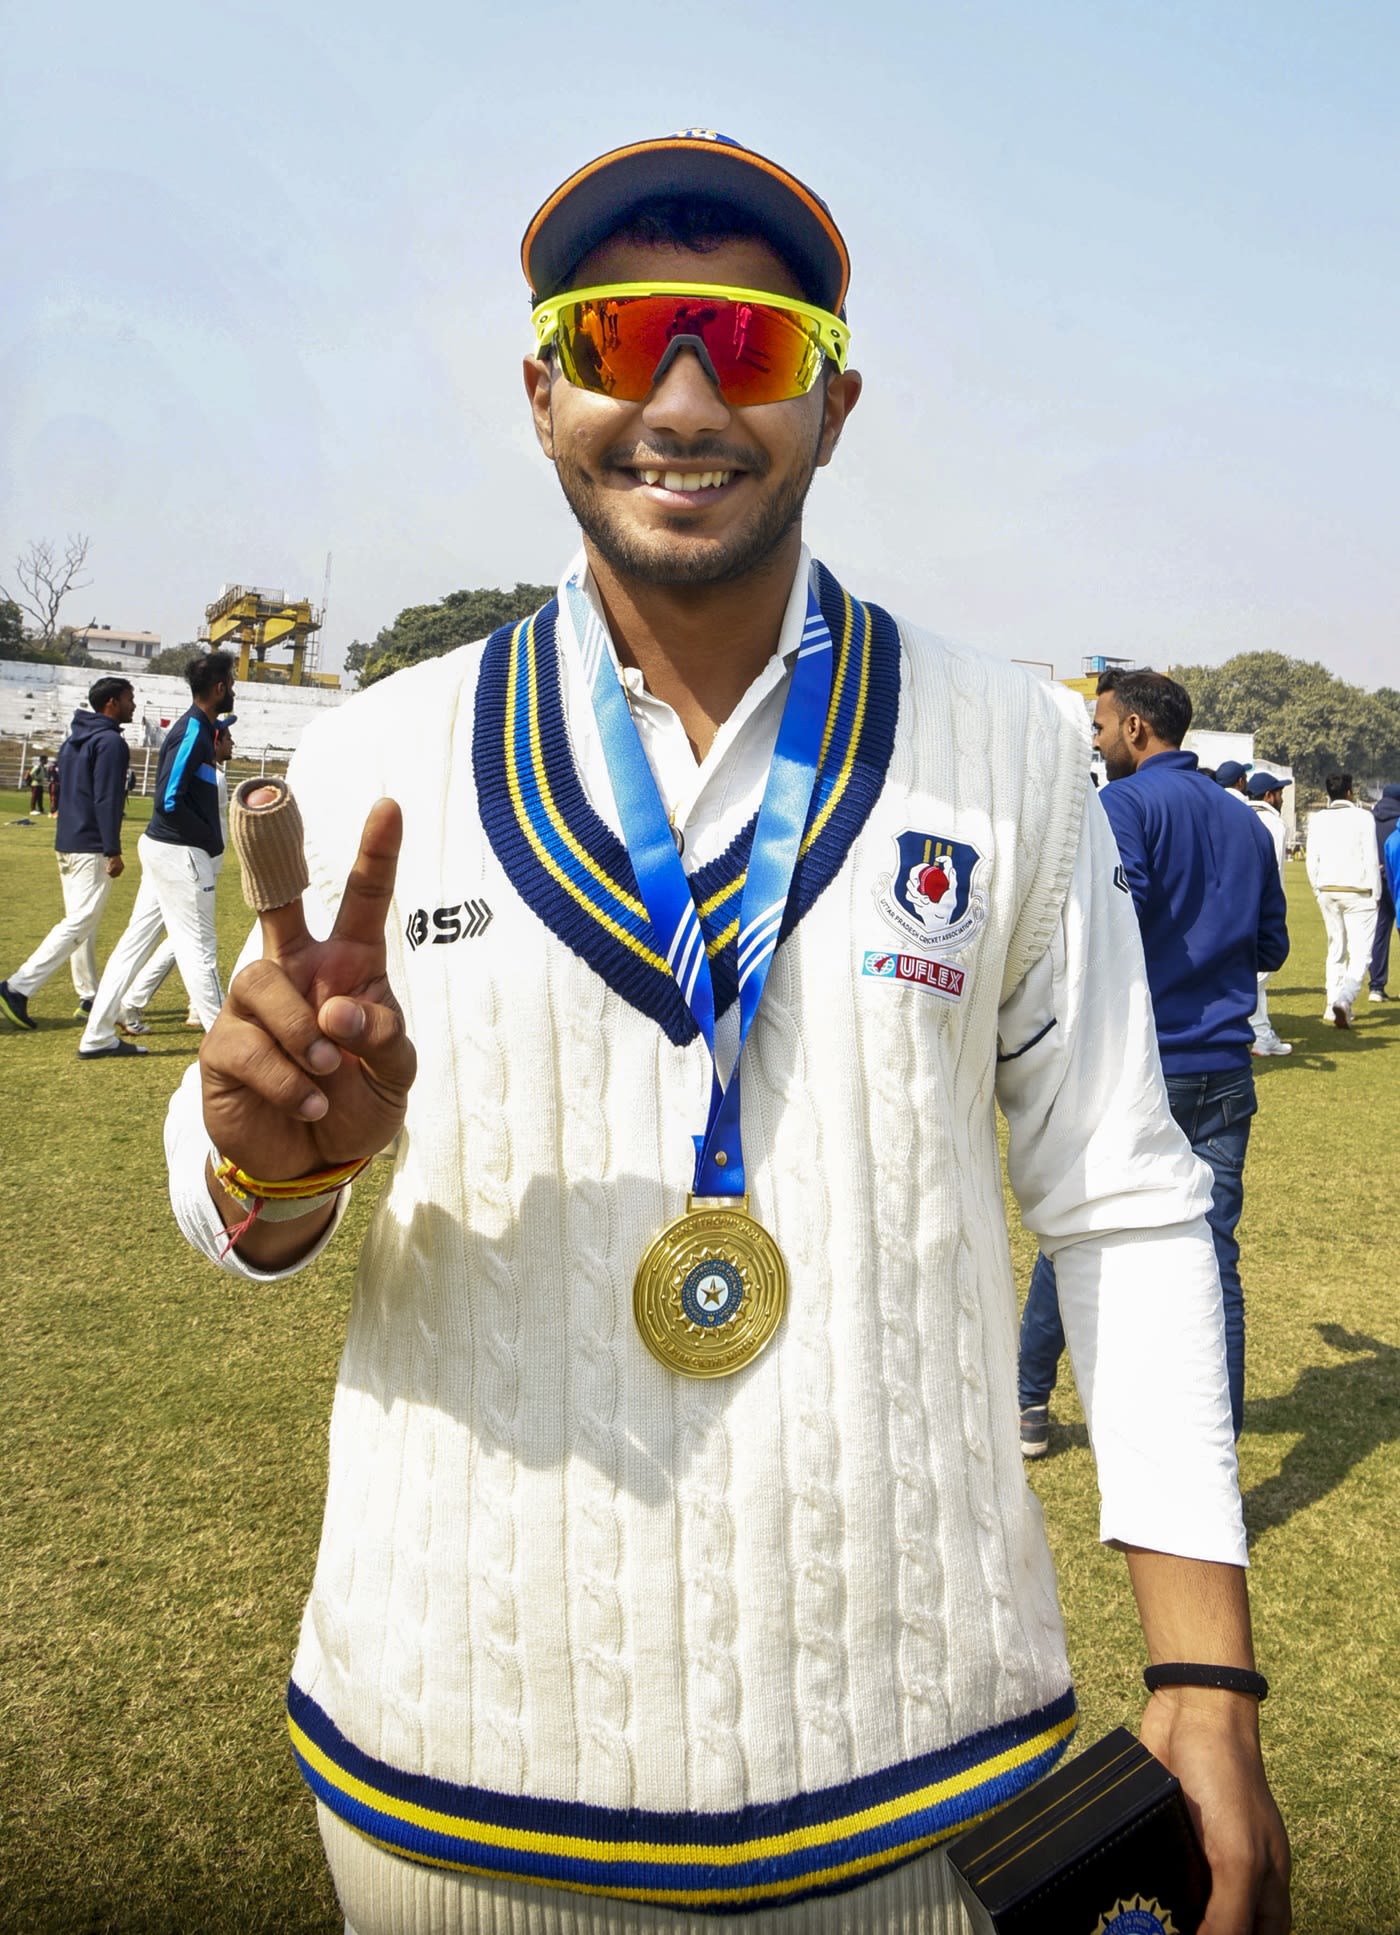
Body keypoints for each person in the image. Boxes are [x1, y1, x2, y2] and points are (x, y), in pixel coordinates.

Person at [164, 133, 1289, 1935]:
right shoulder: (385, 747)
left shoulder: (1005, 749)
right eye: (621, 338)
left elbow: (1129, 1202)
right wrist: (265, 1163)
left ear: (834, 407)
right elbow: (234, 1195)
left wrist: (1208, 1679)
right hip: (455, 1784)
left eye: (752, 348)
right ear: (544, 392)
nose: (684, 398)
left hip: (927, 1781)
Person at [1018, 668, 1288, 1449]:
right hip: (1226, 1071)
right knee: (1215, 1255)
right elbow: (1274, 942)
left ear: (1135, 729)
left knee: (1080, 1227)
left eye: (1100, 728)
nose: (1096, 743)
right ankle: (1218, 1447)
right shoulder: (1244, 822)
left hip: (1140, 1066)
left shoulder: (1123, 803)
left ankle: (1030, 1400)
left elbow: (1112, 917)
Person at [78, 652, 235, 1059]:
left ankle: (96, 1036)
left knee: (134, 943)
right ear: (219, 688)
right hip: (179, 852)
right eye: (231, 683)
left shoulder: (201, 728)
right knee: (200, 949)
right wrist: (207, 840)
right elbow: (167, 798)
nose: (232, 690)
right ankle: (231, 1047)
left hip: (166, 849)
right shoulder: (192, 733)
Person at [0, 679, 136, 1032]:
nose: (133, 705)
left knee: (81, 922)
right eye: (128, 698)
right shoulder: (111, 743)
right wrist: (113, 849)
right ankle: (17, 986)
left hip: (67, 840)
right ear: (111, 703)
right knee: (80, 923)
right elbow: (107, 798)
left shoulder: (74, 739)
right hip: (91, 845)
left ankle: (90, 996)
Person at [117, 716, 237, 1035]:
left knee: (166, 939)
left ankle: (130, 1003)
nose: (232, 743)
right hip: (194, 864)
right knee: (189, 943)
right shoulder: (214, 777)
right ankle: (197, 1012)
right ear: (214, 741)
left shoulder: (208, 773)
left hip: (184, 860)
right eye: (227, 738)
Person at [1304, 773, 1380, 1029]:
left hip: (1328, 889)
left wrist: (1317, 889)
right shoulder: (1363, 817)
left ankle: (1330, 1005)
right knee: (1361, 954)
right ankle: (1344, 999)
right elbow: (1370, 856)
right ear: (1350, 792)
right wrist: (1377, 894)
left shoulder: (1318, 819)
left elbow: (1310, 859)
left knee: (1336, 949)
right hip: (1359, 890)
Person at [1245, 771, 1293, 1057]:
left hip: (1240, 903)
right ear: (1268, 796)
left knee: (1257, 974)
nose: (1282, 797)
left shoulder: (1237, 814)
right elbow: (1271, 869)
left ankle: (1263, 1035)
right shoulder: (1274, 823)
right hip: (1264, 905)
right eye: (1278, 792)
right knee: (1257, 972)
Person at [1367, 783, 1400, 1001]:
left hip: (1375, 879)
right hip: (1396, 878)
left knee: (1380, 933)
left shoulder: (1369, 819)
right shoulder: (1397, 823)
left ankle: (1376, 986)